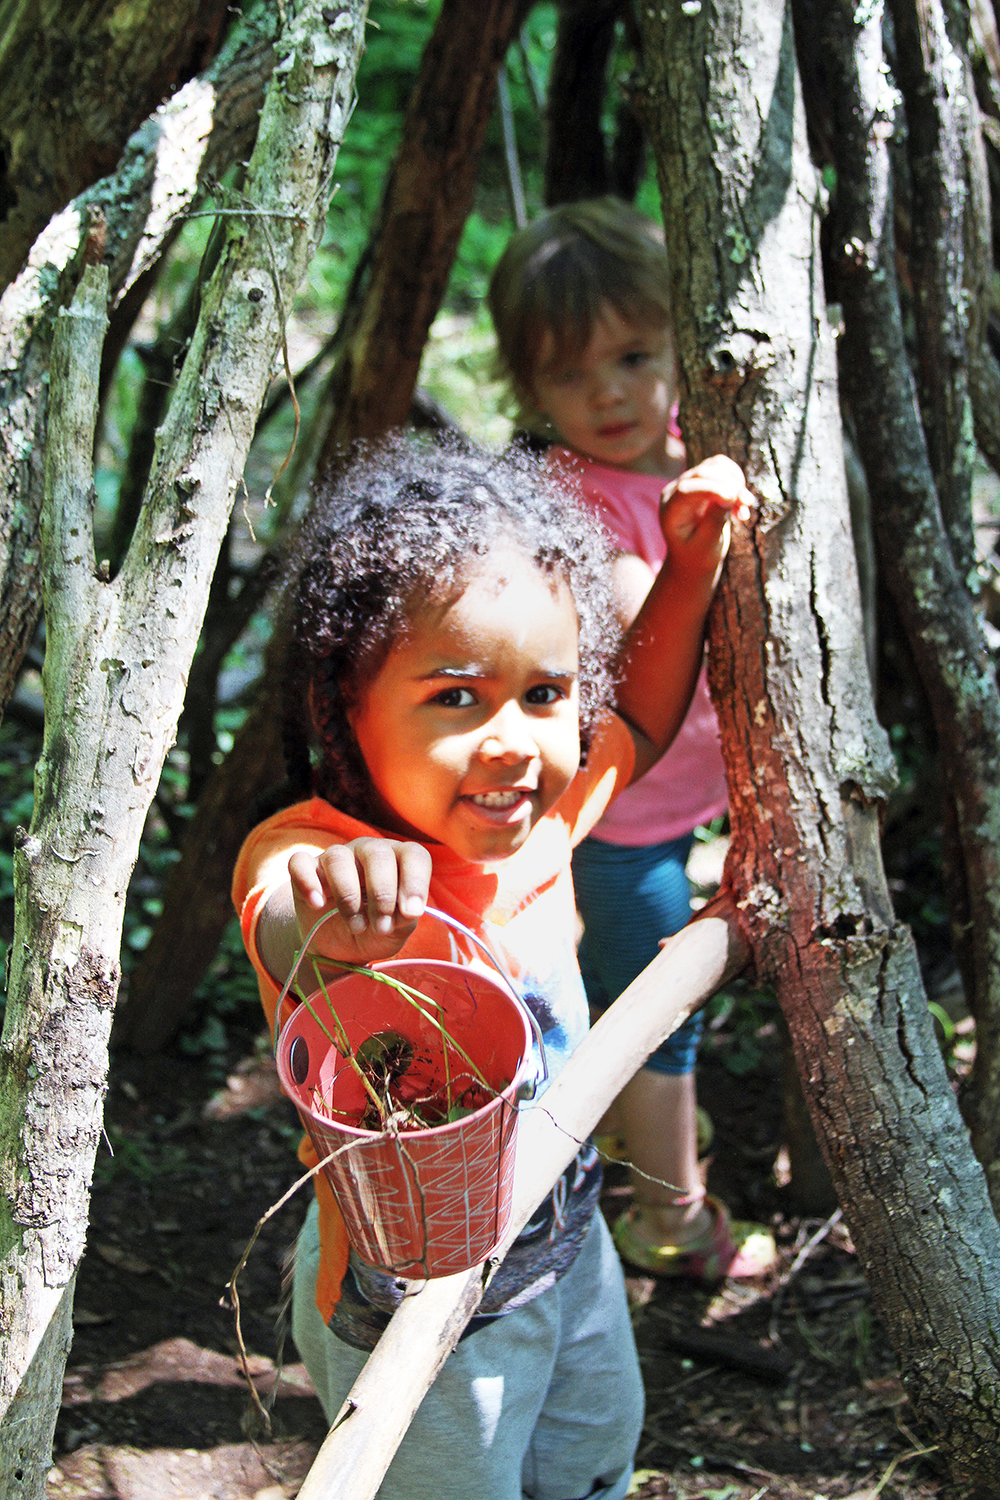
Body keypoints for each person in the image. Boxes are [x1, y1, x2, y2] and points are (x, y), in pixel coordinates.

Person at [232, 435, 751, 1500]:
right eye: (457, 698)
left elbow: (641, 718)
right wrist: (337, 906)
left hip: (563, 1244)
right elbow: (281, 913)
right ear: (347, 706)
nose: (514, 741)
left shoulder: (542, 827)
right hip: (409, 1301)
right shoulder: (312, 855)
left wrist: (689, 569)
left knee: (595, 1451)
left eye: (545, 693)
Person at [488, 197, 776, 1282]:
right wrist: (694, 532)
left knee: (644, 996)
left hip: (683, 800)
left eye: (633, 355)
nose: (607, 393)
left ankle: (626, 1165)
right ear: (527, 389)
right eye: (570, 375)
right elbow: (643, 607)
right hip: (615, 822)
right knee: (659, 1014)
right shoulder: (581, 496)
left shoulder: (676, 445)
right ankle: (671, 1221)